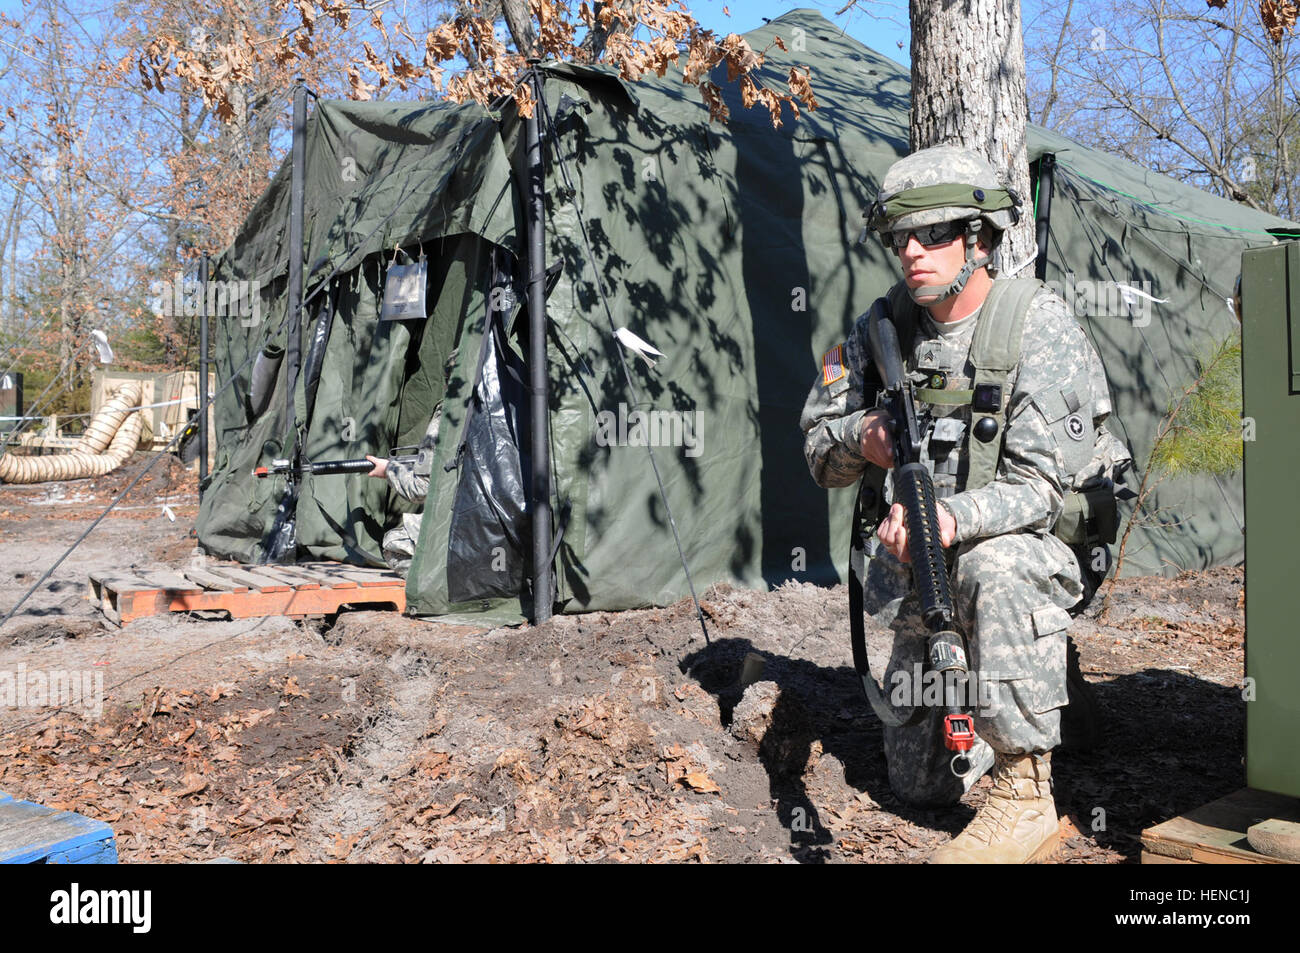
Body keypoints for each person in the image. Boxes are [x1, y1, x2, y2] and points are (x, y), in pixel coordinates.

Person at [800, 145, 1128, 863]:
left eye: (935, 234)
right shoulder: (877, 329)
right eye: (900, 238)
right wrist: (866, 437)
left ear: (979, 239)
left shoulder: (1037, 327)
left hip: (1017, 555)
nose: (913, 252)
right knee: (919, 785)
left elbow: (1043, 490)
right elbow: (817, 447)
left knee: (997, 566)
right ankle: (985, 698)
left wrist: (948, 516)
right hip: (918, 578)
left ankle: (1024, 796)